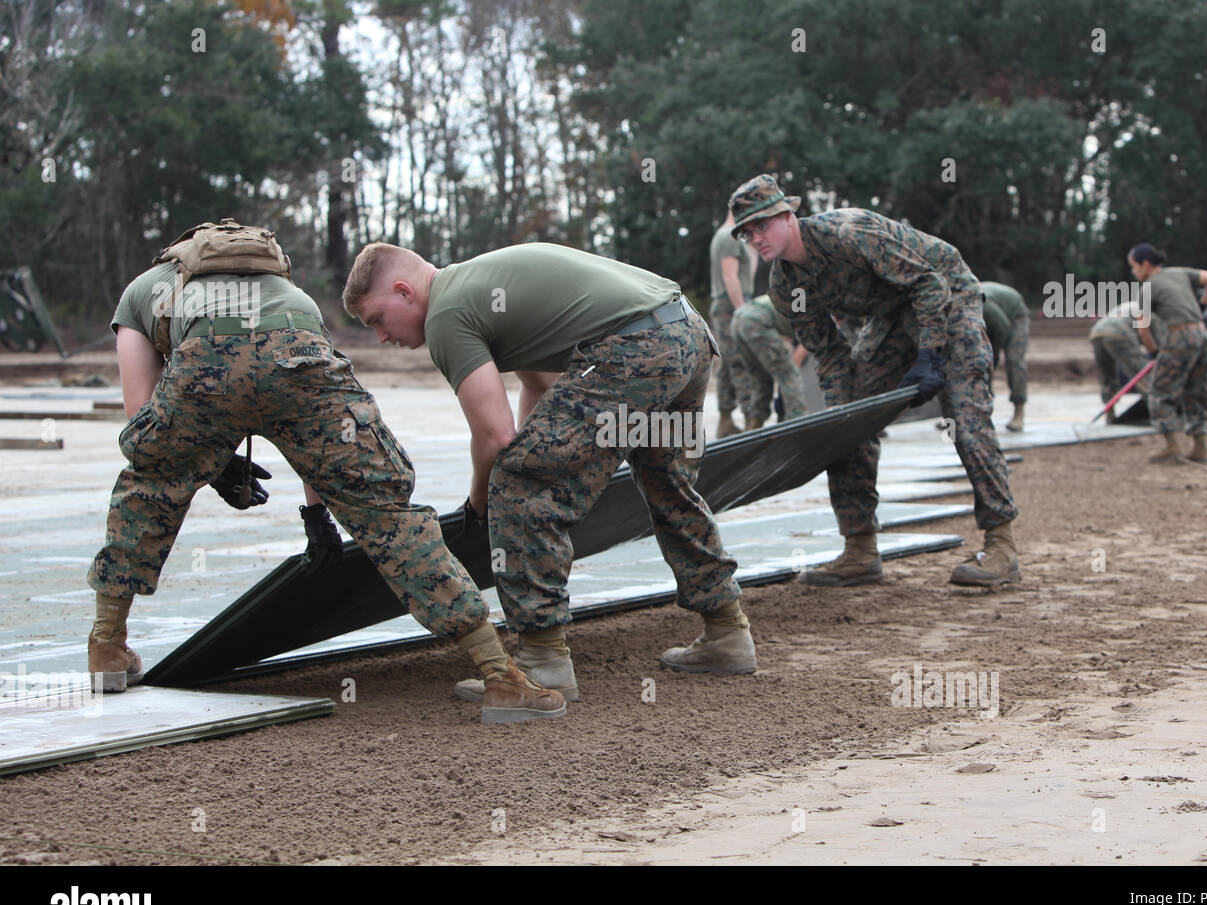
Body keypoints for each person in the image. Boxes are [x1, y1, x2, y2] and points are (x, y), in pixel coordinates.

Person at [86, 221, 564, 724]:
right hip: (301, 358)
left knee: (148, 489)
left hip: (200, 371)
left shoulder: (144, 290)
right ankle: (500, 675)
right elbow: (313, 438)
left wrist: (207, 461)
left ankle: (107, 649)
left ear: (179, 256)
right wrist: (320, 517)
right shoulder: (293, 295)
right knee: (389, 517)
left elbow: (142, 423)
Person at [342, 241, 758, 689]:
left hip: (635, 347)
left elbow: (494, 436)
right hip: (687, 334)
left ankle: (542, 660)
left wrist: (482, 500)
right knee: (668, 482)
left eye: (377, 321)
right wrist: (537, 457)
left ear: (405, 292)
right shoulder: (479, 286)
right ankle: (727, 631)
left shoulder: (445, 314)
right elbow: (540, 385)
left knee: (518, 484)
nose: (382, 337)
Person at [727, 173, 1020, 588]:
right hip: (889, 315)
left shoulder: (850, 233)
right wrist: (840, 410)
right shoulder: (785, 285)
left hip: (945, 291)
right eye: (747, 232)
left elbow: (928, 283)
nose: (756, 238)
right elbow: (828, 353)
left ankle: (1002, 544)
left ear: (789, 215)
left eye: (762, 224)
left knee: (964, 412)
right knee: (850, 422)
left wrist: (930, 354)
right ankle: (860, 549)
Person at [1127, 243, 1207, 464]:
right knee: (1196, 391)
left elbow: (1143, 329)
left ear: (1146, 264)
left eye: (1134, 266)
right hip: (1203, 336)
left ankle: (1172, 447)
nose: (1133, 272)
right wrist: (1203, 306)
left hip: (1180, 338)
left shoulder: (1147, 288)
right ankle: (1200, 447)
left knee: (1159, 393)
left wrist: (1154, 352)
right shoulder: (1180, 272)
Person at [707, 210, 756, 437]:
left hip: (728, 305)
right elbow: (730, 277)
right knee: (741, 362)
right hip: (731, 305)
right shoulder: (729, 236)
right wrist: (742, 311)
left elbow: (747, 274)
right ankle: (752, 421)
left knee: (728, 365)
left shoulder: (730, 236)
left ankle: (726, 421)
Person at [728, 293, 810, 429]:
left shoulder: (798, 296)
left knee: (761, 380)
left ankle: (753, 427)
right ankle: (799, 424)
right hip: (756, 321)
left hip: (739, 318)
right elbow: (797, 358)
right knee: (789, 375)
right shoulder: (818, 315)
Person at [1088, 302, 1154, 421]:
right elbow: (1149, 337)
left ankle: (1110, 414)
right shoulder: (1153, 312)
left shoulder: (1130, 305)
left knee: (1107, 376)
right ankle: (1156, 412)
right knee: (1141, 374)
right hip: (1119, 333)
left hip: (1096, 332)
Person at [980, 281, 1031, 432]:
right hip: (992, 323)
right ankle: (979, 413)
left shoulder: (982, 303)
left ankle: (1019, 412)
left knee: (1014, 360)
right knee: (979, 362)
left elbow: (1003, 327)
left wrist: (993, 356)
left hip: (1014, 315)